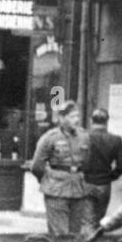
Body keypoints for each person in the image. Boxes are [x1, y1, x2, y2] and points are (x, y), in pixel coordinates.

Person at [30, 101, 92, 235]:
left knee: (75, 234)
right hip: (56, 191)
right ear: (61, 118)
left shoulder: (84, 136)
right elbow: (36, 166)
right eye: (72, 117)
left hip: (78, 189)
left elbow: (87, 163)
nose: (76, 120)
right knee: (59, 234)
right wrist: (49, 180)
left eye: (77, 116)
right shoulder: (49, 138)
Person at [84, 108, 122, 228]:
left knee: (87, 220)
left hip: (86, 181)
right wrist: (111, 176)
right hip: (104, 183)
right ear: (107, 121)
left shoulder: (83, 137)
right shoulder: (115, 140)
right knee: (99, 219)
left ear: (91, 120)